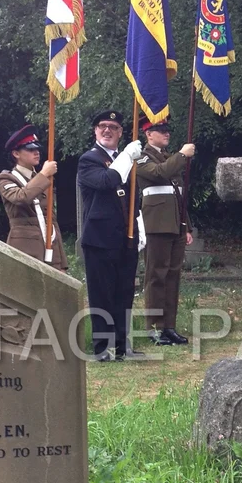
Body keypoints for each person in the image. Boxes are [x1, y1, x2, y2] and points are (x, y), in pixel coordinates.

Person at [76, 110, 146, 361]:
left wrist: (139, 228)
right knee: (102, 295)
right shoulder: (89, 160)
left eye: (113, 127)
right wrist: (127, 155)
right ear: (95, 131)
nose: (107, 130)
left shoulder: (129, 161)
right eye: (102, 126)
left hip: (125, 237)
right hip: (99, 238)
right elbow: (108, 180)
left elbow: (133, 199)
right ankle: (102, 348)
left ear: (120, 132)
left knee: (124, 294)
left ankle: (122, 346)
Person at [135, 120, 196, 345]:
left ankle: (169, 326)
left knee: (172, 276)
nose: (166, 134)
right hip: (156, 224)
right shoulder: (142, 158)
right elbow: (160, 173)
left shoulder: (168, 157)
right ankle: (154, 327)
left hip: (175, 224)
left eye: (168, 130)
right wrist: (182, 155)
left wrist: (186, 226)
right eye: (161, 131)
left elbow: (178, 195)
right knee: (156, 276)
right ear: (149, 134)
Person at [0, 125, 68, 270]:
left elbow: (51, 217)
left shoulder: (43, 178)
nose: (36, 152)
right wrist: (43, 174)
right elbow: (21, 197)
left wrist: (61, 259)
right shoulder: (6, 178)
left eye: (37, 149)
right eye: (30, 149)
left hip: (51, 246)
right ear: (16, 153)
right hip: (25, 248)